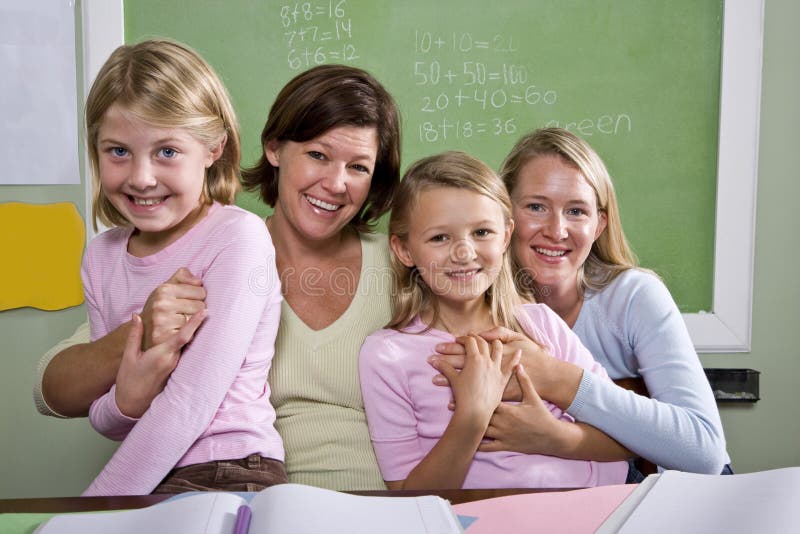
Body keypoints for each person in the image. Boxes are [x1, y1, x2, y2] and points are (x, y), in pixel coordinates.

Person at [34, 63, 402, 491]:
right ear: (274, 149)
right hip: (244, 495)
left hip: (371, 499)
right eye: (317, 155)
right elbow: (50, 389)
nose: (336, 184)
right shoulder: (210, 250)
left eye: (358, 167)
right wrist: (137, 339)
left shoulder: (401, 264)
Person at [433, 128, 730, 474]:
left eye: (576, 211)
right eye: (536, 207)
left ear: (599, 225)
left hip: (676, 493)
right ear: (504, 217)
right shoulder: (470, 301)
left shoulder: (634, 296)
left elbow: (705, 453)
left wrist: (554, 381)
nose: (556, 230)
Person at [76, 39, 285, 496]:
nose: (141, 177)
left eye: (167, 152)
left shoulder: (238, 237)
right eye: (118, 151)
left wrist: (90, 512)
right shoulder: (101, 257)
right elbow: (104, 417)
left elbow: (191, 403)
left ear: (213, 149)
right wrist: (128, 401)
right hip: (149, 471)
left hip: (229, 467)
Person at [359, 151, 630, 490]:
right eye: (440, 237)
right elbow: (407, 496)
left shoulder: (540, 324)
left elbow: (627, 436)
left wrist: (551, 435)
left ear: (505, 236)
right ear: (404, 250)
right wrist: (472, 416)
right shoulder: (387, 355)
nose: (464, 252)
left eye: (482, 232)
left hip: (598, 503)